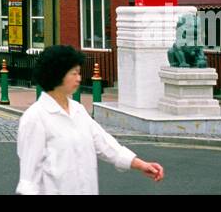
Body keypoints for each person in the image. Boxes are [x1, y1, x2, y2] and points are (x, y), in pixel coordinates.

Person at [16, 44, 165, 194]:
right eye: (74, 73)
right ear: (57, 74)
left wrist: (141, 165)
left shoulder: (78, 110)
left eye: (79, 73)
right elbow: (29, 177)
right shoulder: (35, 117)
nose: (79, 78)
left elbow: (105, 144)